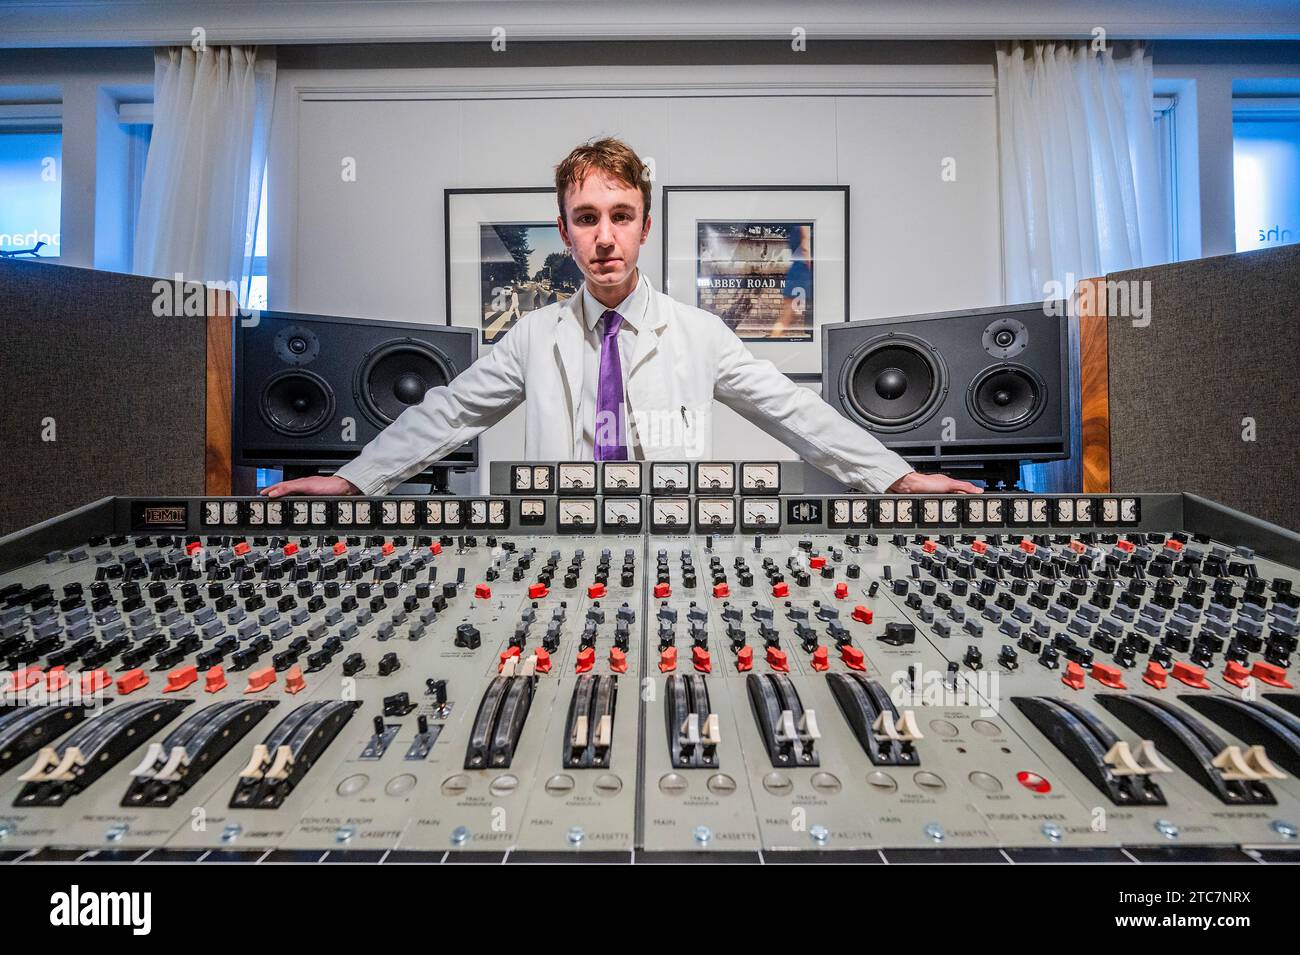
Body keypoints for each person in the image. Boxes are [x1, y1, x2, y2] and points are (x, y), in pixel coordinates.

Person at [263, 137, 980, 499]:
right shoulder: (531, 339)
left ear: (643, 226)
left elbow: (793, 411)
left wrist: (894, 476)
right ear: (565, 230)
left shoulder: (700, 334)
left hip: (671, 554)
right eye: (586, 218)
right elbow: (446, 414)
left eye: (620, 216)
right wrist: (354, 480)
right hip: (552, 558)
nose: (604, 236)